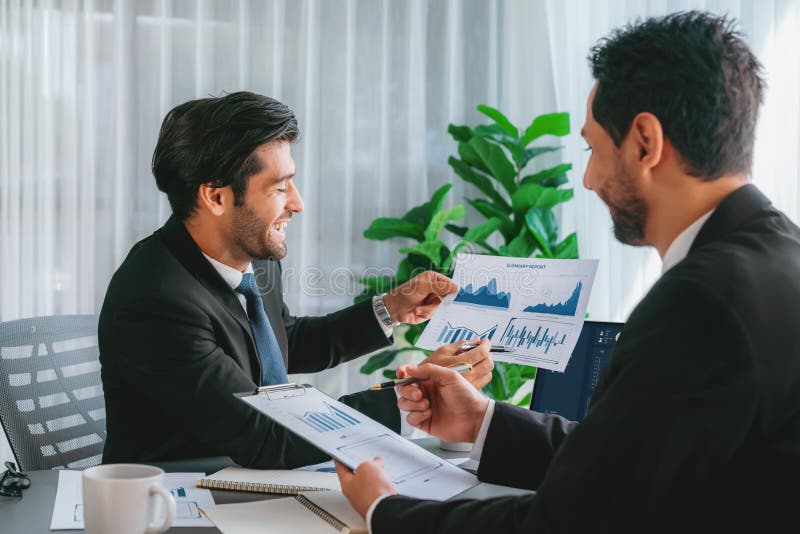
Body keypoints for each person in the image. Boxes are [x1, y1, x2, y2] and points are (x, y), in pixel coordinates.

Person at [334, 11, 800, 533]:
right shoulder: (778, 259)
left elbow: (572, 519)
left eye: (592, 149)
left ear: (645, 142)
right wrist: (483, 421)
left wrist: (385, 512)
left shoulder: (700, 301)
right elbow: (628, 466)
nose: (588, 179)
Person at [98, 92, 493, 468]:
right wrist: (415, 397)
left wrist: (389, 310)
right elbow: (266, 436)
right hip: (181, 494)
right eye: (280, 187)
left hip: (254, 478)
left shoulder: (252, 256)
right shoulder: (155, 299)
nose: (298, 203)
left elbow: (280, 342)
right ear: (216, 198)